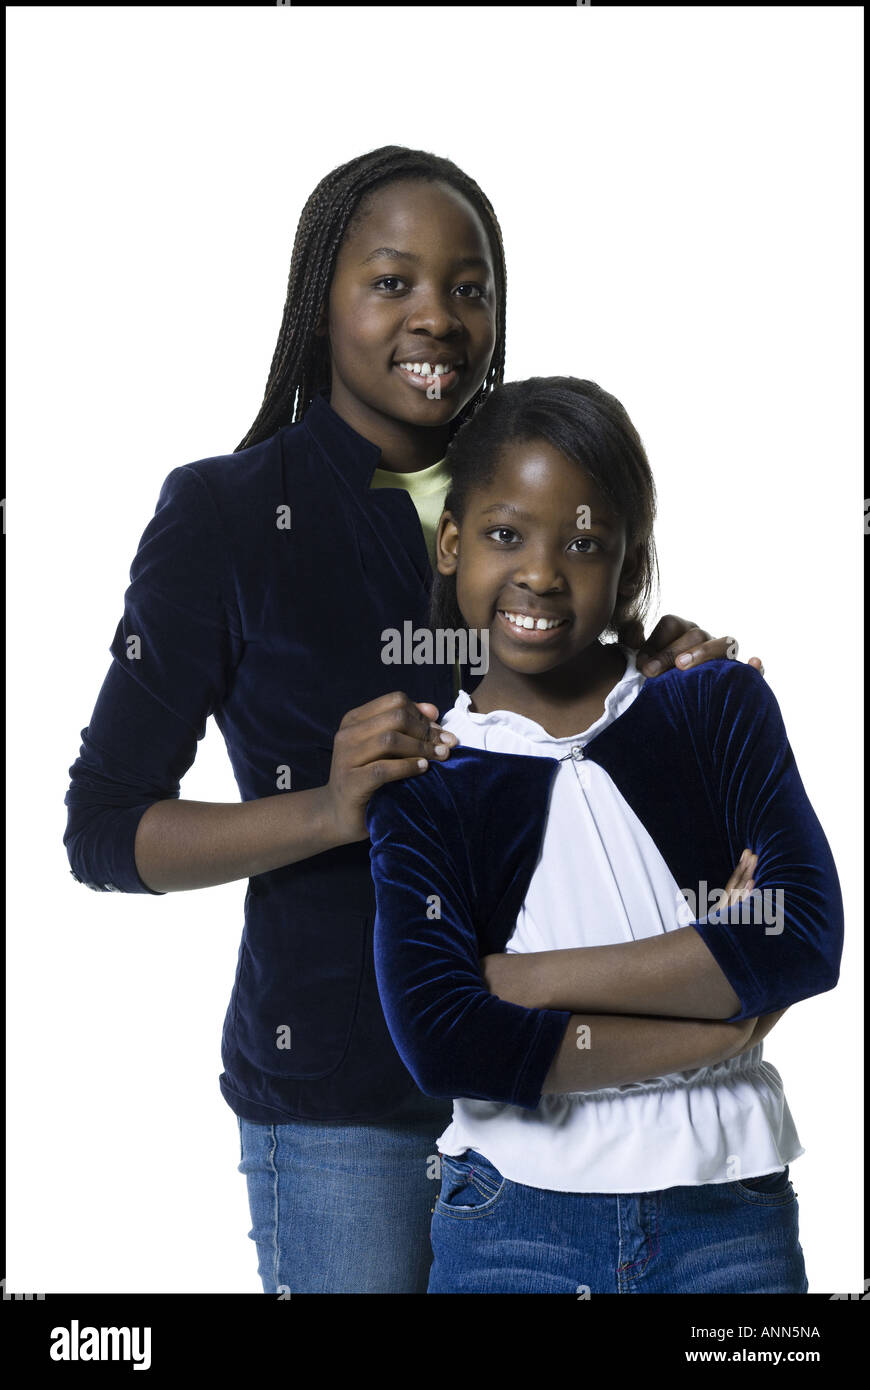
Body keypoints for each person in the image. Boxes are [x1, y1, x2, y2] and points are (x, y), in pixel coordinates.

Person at [64, 147, 766, 1295]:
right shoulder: (228, 515)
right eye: (392, 282)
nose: (436, 315)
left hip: (570, 1088)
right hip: (351, 1114)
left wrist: (656, 672)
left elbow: (571, 745)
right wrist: (332, 808)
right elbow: (103, 829)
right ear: (319, 300)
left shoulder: (536, 496)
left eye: (469, 287)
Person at [365, 375, 844, 1295]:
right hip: (514, 1223)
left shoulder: (713, 704)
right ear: (452, 542)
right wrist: (719, 1024)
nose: (542, 573)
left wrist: (517, 981)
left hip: (729, 1223)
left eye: (584, 544)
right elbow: (444, 1039)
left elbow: (804, 934)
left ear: (628, 567)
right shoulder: (429, 779)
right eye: (506, 534)